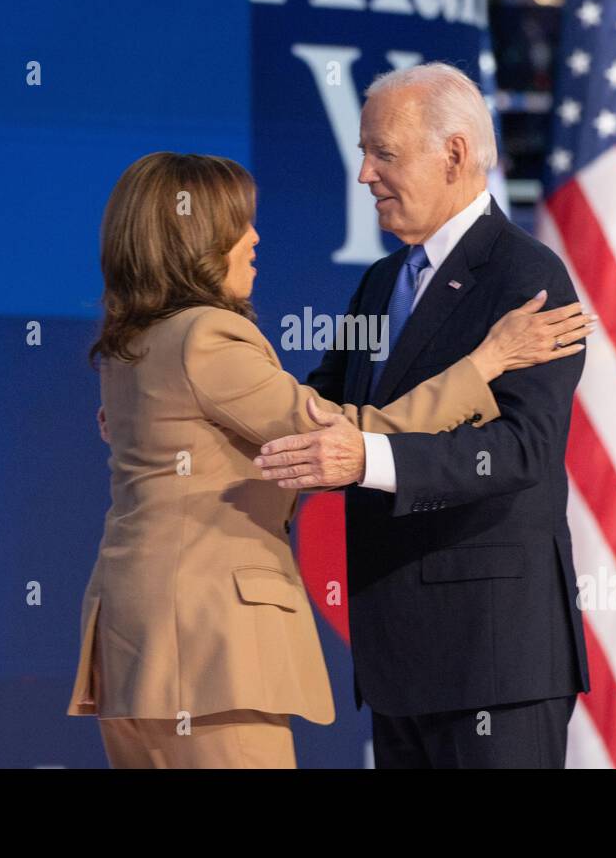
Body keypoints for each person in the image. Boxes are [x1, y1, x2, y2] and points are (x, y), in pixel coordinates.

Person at [66, 151, 596, 768]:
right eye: (239, 223)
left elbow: (328, 412)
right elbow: (337, 430)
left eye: (384, 152)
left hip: (139, 648)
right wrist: (482, 365)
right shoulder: (210, 334)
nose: (255, 238)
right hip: (206, 652)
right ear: (196, 237)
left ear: (451, 154)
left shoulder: (133, 342)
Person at [253, 63, 591, 768]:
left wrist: (367, 460)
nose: (364, 175)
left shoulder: (529, 278)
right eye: (363, 152)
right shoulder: (379, 283)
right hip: (397, 660)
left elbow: (521, 448)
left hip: (494, 658)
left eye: (384, 153)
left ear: (456, 154)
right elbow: (323, 409)